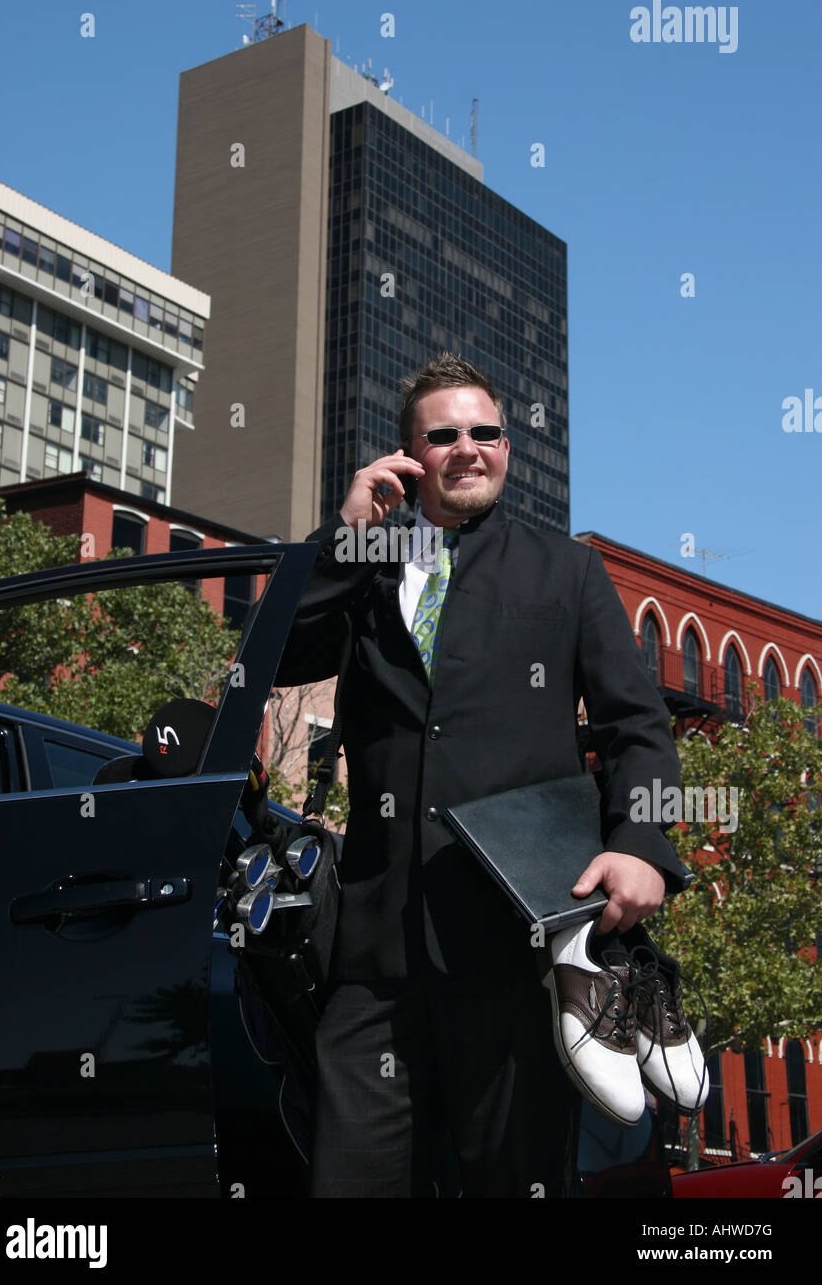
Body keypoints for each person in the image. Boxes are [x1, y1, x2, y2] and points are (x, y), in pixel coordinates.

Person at [275, 352, 686, 1198]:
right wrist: (346, 536)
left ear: (507, 447)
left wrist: (641, 845)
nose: (468, 448)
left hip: (520, 946)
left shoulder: (564, 571)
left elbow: (637, 727)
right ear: (407, 457)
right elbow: (275, 658)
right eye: (443, 435)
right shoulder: (365, 565)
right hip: (375, 956)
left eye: (485, 432)